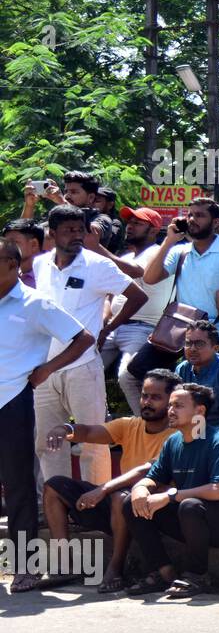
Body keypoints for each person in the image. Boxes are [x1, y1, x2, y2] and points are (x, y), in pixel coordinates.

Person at [0, 239, 93, 594]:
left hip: (12, 401)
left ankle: (25, 568)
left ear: (11, 262)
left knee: (19, 486)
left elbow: (82, 338)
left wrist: (47, 368)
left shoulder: (35, 303)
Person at [34, 205, 147, 487]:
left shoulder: (99, 265)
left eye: (80, 229)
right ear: (52, 233)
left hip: (83, 365)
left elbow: (137, 296)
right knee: (48, 443)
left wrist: (107, 328)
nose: (76, 235)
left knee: (93, 442)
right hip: (44, 369)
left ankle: (94, 508)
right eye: (68, 230)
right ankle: (57, 504)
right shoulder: (40, 264)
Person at [41, 370, 181, 593]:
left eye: (156, 397)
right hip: (117, 500)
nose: (147, 402)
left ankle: (116, 568)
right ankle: (64, 565)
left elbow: (147, 470)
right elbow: (88, 431)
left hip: (149, 510)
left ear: (172, 401)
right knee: (54, 486)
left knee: (120, 496)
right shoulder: (129, 425)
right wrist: (66, 429)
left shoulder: (178, 436)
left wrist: (102, 489)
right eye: (145, 395)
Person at [126, 383, 219, 598]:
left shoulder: (217, 441)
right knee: (130, 503)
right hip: (192, 520)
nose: (170, 411)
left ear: (200, 411)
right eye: (170, 405)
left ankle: (197, 575)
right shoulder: (173, 442)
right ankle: (163, 572)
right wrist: (140, 488)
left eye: (178, 405)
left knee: (189, 505)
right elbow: (154, 477)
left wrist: (170, 496)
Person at [135, 197, 219, 370]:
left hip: (215, 332)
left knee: (194, 381)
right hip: (177, 330)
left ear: (216, 222)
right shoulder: (180, 251)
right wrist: (168, 241)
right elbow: (149, 278)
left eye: (199, 215)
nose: (192, 220)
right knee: (132, 373)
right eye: (189, 215)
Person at [98, 206, 174, 414]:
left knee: (127, 376)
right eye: (129, 222)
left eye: (137, 223)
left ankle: (146, 430)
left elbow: (134, 272)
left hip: (142, 328)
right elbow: (109, 293)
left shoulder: (158, 252)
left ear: (152, 230)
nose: (130, 227)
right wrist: (105, 318)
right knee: (82, 370)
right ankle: (103, 425)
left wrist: (96, 247)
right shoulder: (127, 256)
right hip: (113, 327)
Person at [33, 170, 114, 246]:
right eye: (66, 192)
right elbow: (26, 235)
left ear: (91, 198)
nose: (67, 196)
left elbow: (89, 236)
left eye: (74, 192)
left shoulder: (101, 219)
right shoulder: (58, 218)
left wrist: (62, 202)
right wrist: (29, 205)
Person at [3, 218, 43, 287]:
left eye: (14, 242)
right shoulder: (9, 277)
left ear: (34, 244)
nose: (7, 248)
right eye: (5, 243)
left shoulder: (49, 278)